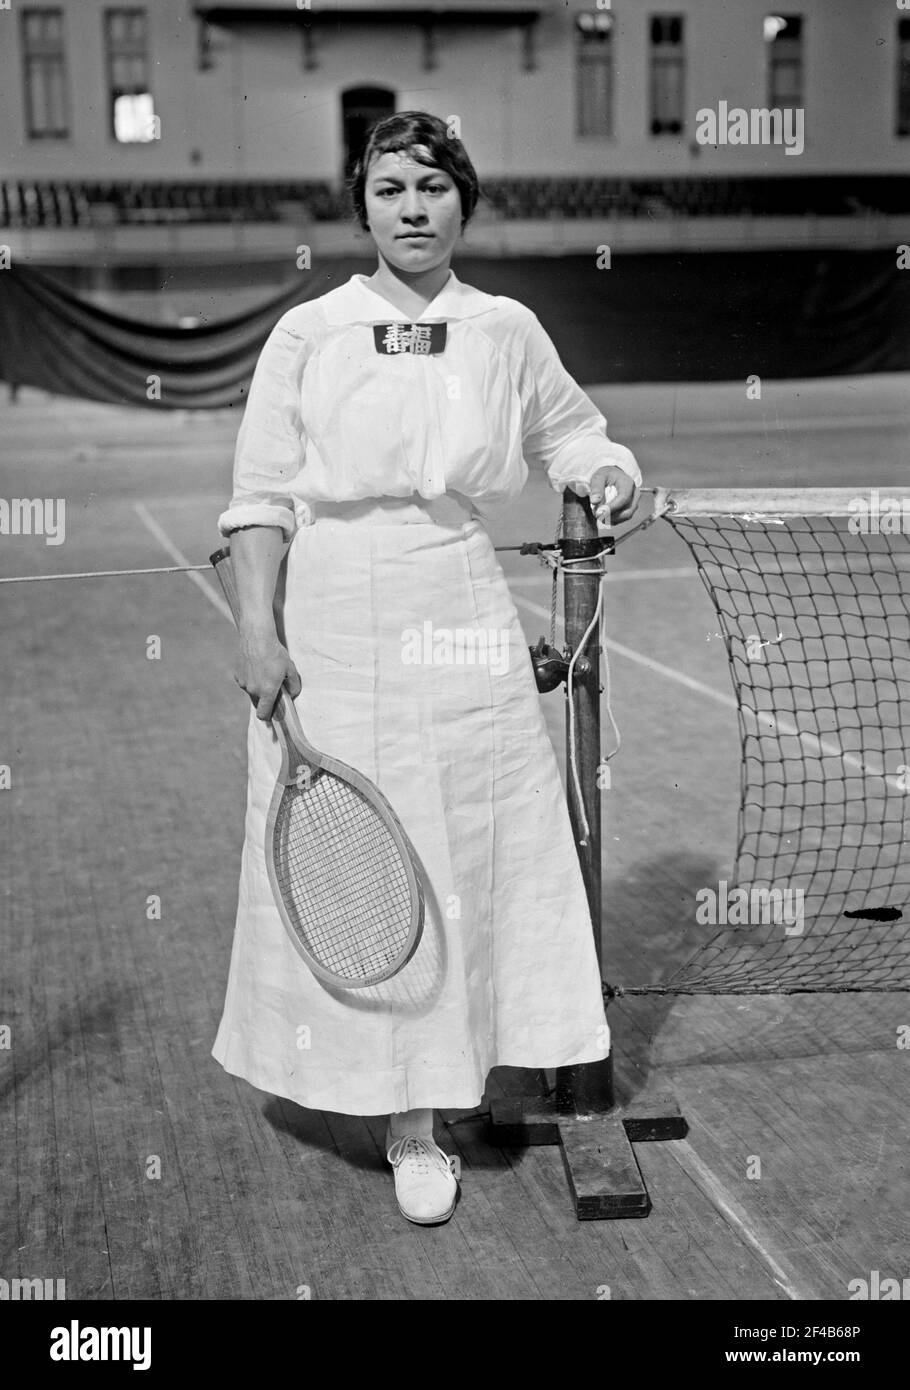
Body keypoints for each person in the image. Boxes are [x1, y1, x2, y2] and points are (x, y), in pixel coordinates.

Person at [212, 111, 641, 1226]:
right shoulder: (309, 332)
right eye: (391, 187)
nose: (412, 206)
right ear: (360, 206)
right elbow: (258, 500)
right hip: (338, 613)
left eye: (434, 186)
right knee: (373, 874)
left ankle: (477, 1070)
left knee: (478, 842)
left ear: (465, 202)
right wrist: (257, 632)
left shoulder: (505, 328)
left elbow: (573, 431)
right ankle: (410, 1122)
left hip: (460, 601)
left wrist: (605, 471)